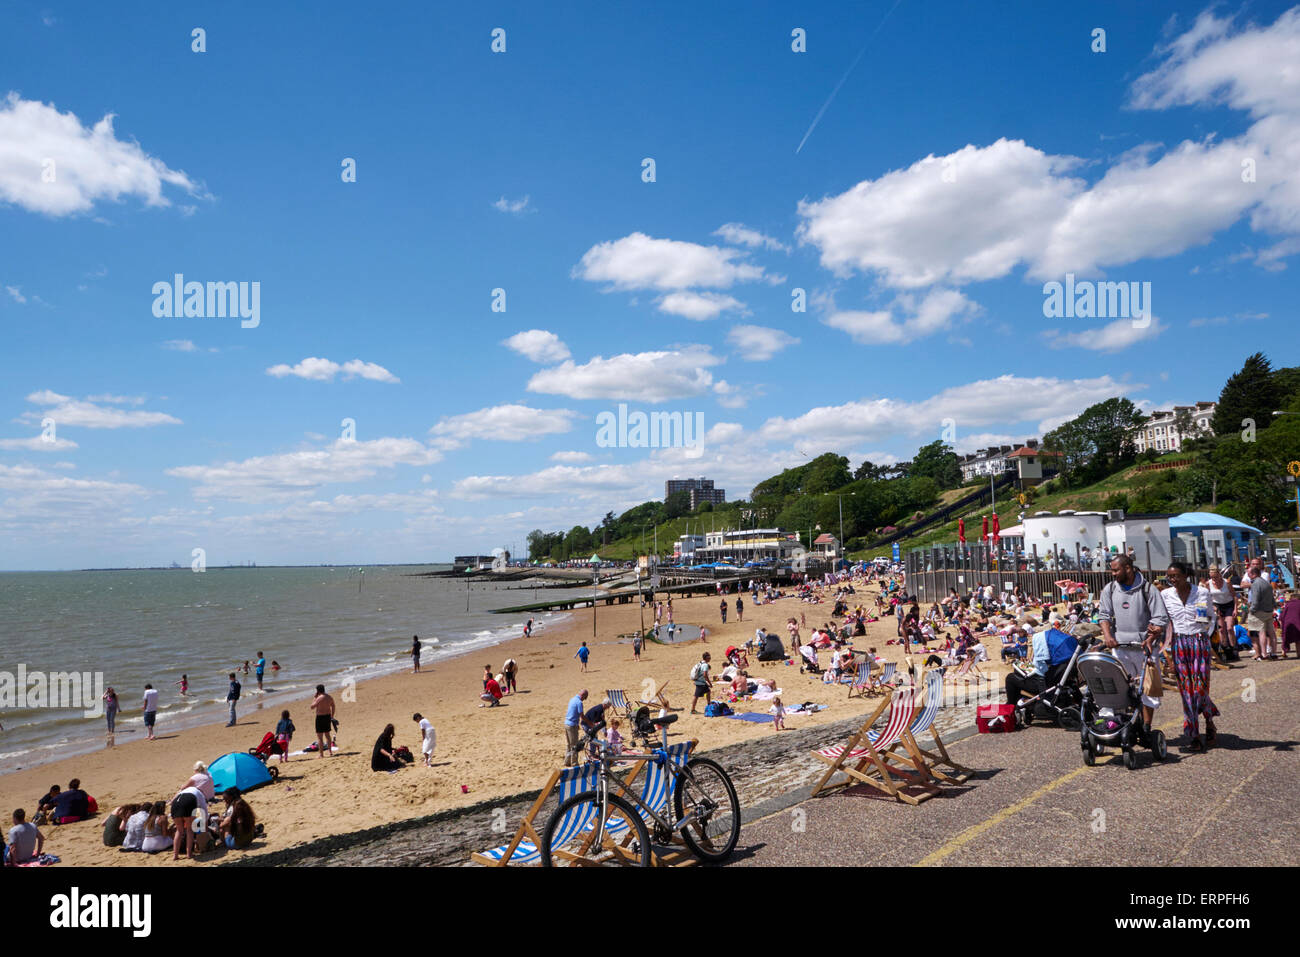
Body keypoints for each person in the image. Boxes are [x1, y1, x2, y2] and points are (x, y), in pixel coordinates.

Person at [1098, 554, 1169, 733]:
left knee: (1148, 690)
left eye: (1116, 570)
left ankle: (1146, 726)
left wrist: (1152, 637)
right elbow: (1104, 615)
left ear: (1128, 568)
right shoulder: (1110, 589)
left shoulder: (1148, 589)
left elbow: (1160, 618)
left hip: (1144, 649)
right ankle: (1120, 724)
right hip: (1120, 648)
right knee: (1120, 688)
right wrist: (1108, 636)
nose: (1113, 573)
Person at [1161, 561, 1220, 752]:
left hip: (1199, 642)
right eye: (1170, 576)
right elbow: (1165, 622)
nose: (1172, 580)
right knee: (1186, 690)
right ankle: (1193, 733)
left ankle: (1209, 720)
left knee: (1200, 687)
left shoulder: (1201, 593)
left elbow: (1208, 618)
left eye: (1176, 576)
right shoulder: (1165, 595)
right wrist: (1167, 651)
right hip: (1178, 643)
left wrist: (1204, 637)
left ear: (1186, 575)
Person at [1244, 557, 1279, 660]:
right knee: (1271, 632)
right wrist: (1274, 607)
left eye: (1249, 573)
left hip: (1259, 611)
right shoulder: (1266, 583)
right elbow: (1272, 598)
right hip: (1269, 610)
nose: (1248, 575)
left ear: (1253, 574)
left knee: (1262, 632)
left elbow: (1255, 599)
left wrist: (1252, 610)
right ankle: (1273, 652)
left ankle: (1264, 654)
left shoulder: (1255, 584)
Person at [1205, 565, 1238, 662]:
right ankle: (1225, 648)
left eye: (1215, 577)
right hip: (1217, 605)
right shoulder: (1208, 584)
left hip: (1228, 604)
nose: (1214, 579)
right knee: (1221, 629)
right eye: (1212, 577)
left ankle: (1233, 648)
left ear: (1219, 575)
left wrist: (1235, 609)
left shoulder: (1226, 582)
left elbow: (1234, 596)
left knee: (1230, 627)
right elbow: (1207, 597)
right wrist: (1212, 606)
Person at [169, 786, 207, 859]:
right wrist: (205, 827)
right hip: (188, 801)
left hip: (175, 804)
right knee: (190, 829)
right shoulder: (200, 794)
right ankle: (189, 854)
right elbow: (204, 810)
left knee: (179, 831)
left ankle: (175, 855)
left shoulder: (183, 791)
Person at [563, 690, 589, 767]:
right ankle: (574, 763)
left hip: (567, 723)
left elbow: (573, 713)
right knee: (574, 745)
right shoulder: (579, 702)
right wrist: (590, 723)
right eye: (584, 698)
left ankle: (567, 761)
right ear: (583, 696)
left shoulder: (572, 699)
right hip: (572, 725)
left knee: (569, 744)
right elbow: (582, 716)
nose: (583, 700)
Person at [310, 685, 336, 757]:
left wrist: (315, 698)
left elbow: (312, 707)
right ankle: (330, 752)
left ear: (318, 691)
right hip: (327, 716)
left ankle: (321, 754)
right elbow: (333, 706)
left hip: (320, 717)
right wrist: (332, 715)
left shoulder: (319, 698)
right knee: (327, 735)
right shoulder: (329, 697)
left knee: (320, 737)